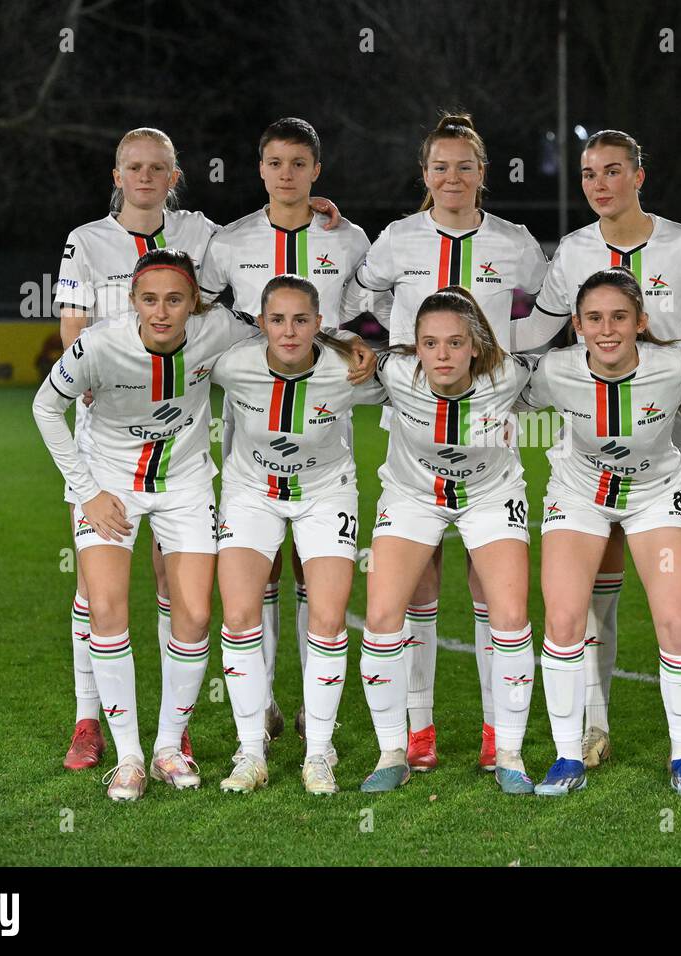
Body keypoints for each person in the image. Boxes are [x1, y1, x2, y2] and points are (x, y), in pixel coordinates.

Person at [510, 129, 681, 771]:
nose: (600, 184)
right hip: (591, 452)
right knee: (592, 593)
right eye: (588, 174)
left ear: (640, 175)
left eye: (612, 171)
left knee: (678, 595)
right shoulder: (575, 251)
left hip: (678, 440)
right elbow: (534, 332)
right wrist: (452, 333)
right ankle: (592, 725)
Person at [340, 112, 547, 774]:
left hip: (490, 427)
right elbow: (353, 294)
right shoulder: (396, 239)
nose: (452, 178)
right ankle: (413, 736)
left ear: (483, 174)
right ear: (424, 175)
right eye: (440, 166)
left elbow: (551, 307)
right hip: (413, 424)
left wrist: (517, 372)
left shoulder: (516, 243)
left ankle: (500, 742)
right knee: (409, 595)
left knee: (498, 601)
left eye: (465, 166)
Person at [33, 250, 259, 801]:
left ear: (193, 303)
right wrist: (87, 492)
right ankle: (129, 755)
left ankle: (166, 746)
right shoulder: (100, 344)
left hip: (184, 486)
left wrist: (352, 351)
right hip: (110, 486)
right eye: (150, 299)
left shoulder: (218, 330)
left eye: (175, 300)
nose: (162, 312)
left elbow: (281, 331)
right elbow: (44, 407)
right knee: (106, 606)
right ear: (133, 301)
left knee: (197, 613)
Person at [198, 116, 376, 745]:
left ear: (316, 170)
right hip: (250, 416)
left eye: (299, 164)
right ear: (261, 168)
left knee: (314, 565)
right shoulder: (230, 240)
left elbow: (368, 314)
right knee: (258, 566)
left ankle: (310, 708)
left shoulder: (349, 238)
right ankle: (265, 703)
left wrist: (361, 349)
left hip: (324, 419)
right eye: (275, 163)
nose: (287, 174)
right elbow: (201, 312)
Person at [522, 268, 681, 797]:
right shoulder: (553, 370)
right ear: (576, 324)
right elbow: (493, 392)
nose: (606, 329)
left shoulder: (677, 363)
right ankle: (568, 757)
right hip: (578, 495)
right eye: (594, 318)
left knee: (678, 623)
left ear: (640, 322)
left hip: (655, 495)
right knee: (564, 620)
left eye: (618, 317)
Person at [54, 128, 216, 771]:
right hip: (110, 440)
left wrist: (316, 209)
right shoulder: (86, 240)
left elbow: (267, 247)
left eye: (158, 167)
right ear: (116, 174)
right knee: (99, 592)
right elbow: (72, 321)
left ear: (175, 176)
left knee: (176, 589)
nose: (146, 176)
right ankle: (89, 718)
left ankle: (173, 730)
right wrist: (93, 381)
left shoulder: (202, 235)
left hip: (180, 444)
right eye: (134, 167)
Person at [357, 287, 538, 795]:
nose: (442, 355)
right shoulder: (394, 374)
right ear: (413, 347)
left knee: (510, 616)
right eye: (430, 343)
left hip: (491, 496)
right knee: (381, 615)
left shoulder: (511, 376)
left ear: (476, 346)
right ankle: (395, 749)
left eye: (455, 343)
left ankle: (507, 750)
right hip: (412, 496)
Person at [210, 274, 378, 795]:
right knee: (238, 616)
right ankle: (250, 752)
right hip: (250, 491)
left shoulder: (349, 370)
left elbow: (419, 377)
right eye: (277, 320)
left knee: (328, 618)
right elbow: (173, 364)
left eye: (301, 320)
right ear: (260, 324)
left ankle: (319, 751)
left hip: (326, 493)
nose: (288, 331)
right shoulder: (231, 363)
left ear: (319, 325)